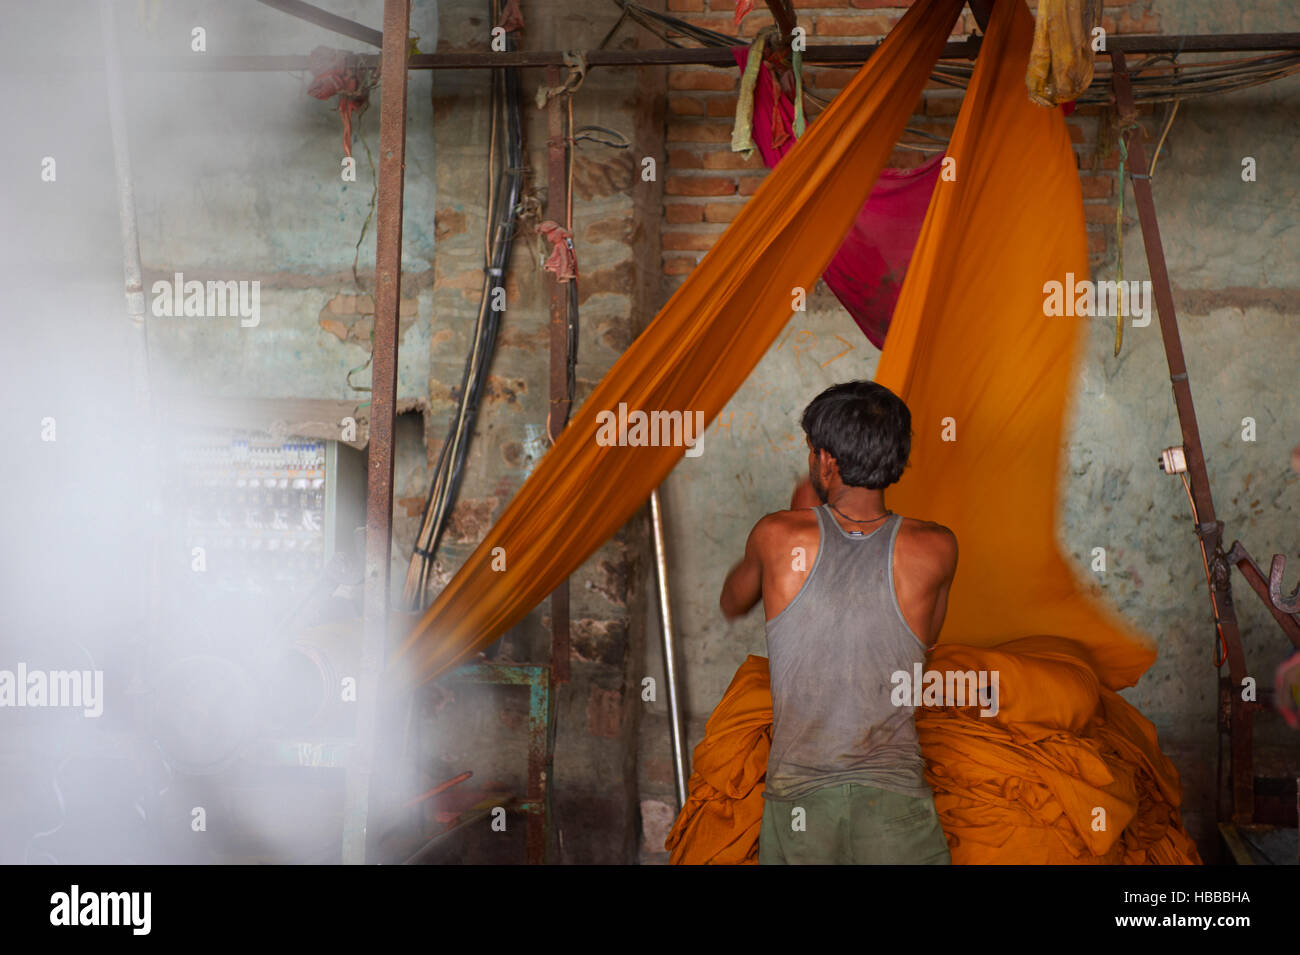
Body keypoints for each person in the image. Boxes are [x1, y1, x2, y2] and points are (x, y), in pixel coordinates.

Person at [719, 380, 957, 864]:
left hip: (800, 801)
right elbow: (924, 642)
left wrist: (798, 513)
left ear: (826, 461)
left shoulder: (777, 535)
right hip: (895, 801)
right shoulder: (938, 548)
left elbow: (732, 600)